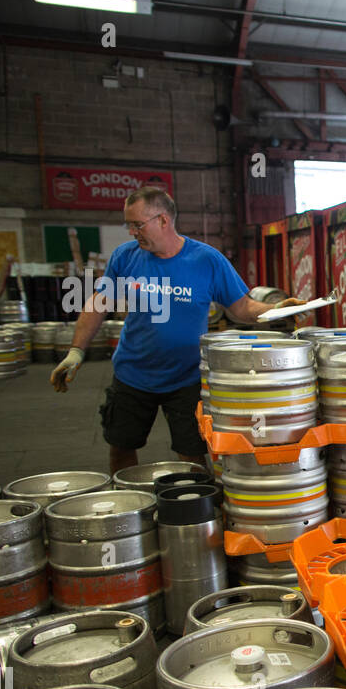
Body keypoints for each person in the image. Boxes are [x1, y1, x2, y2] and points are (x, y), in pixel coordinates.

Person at [50, 187, 305, 474]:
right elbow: (99, 303)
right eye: (129, 225)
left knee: (192, 457)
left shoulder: (206, 260)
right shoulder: (125, 257)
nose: (132, 232)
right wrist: (75, 351)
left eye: (137, 224)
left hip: (186, 379)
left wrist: (278, 308)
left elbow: (242, 308)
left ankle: (193, 515)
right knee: (120, 451)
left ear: (162, 220)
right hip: (132, 374)